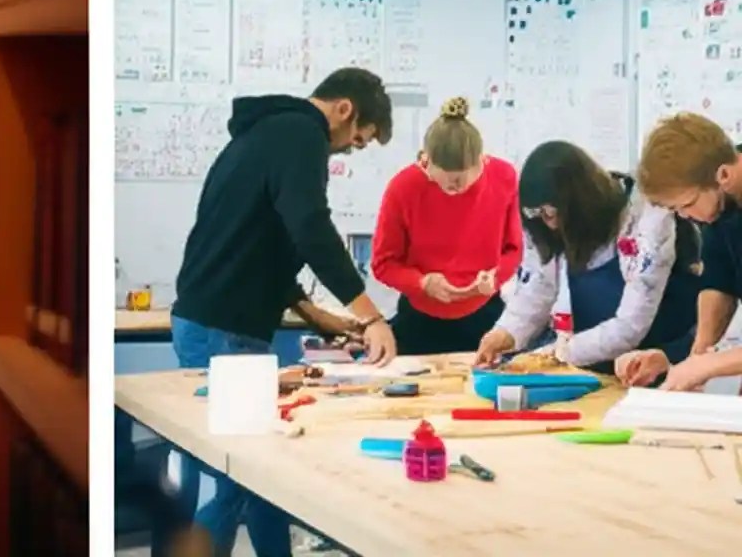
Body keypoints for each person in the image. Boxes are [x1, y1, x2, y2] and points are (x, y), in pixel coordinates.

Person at [169, 67, 398, 557]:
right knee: (236, 479)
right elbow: (309, 226)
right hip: (222, 328)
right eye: (357, 140)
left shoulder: (271, 130)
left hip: (220, 320)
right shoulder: (301, 134)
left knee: (262, 477)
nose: (349, 150)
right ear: (345, 110)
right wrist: (371, 316)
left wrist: (312, 312)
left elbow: (263, 234)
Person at [473, 140, 700, 374]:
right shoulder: (541, 223)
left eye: (551, 214)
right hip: (597, 366)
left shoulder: (647, 220)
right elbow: (538, 286)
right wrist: (505, 332)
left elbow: (630, 325)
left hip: (655, 359)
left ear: (579, 203)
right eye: (539, 215)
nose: (549, 225)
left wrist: (557, 353)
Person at [371, 96, 522, 355]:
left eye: (465, 178)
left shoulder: (504, 178)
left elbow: (514, 249)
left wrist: (495, 277)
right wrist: (421, 282)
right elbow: (383, 263)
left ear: (482, 161)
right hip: (419, 320)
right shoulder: (403, 188)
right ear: (426, 163)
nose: (457, 188)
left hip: (484, 315)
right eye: (449, 180)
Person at [615, 112, 742, 389]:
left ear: (722, 174)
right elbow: (719, 284)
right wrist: (692, 356)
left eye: (686, 204)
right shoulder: (721, 207)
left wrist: (711, 364)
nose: (684, 216)